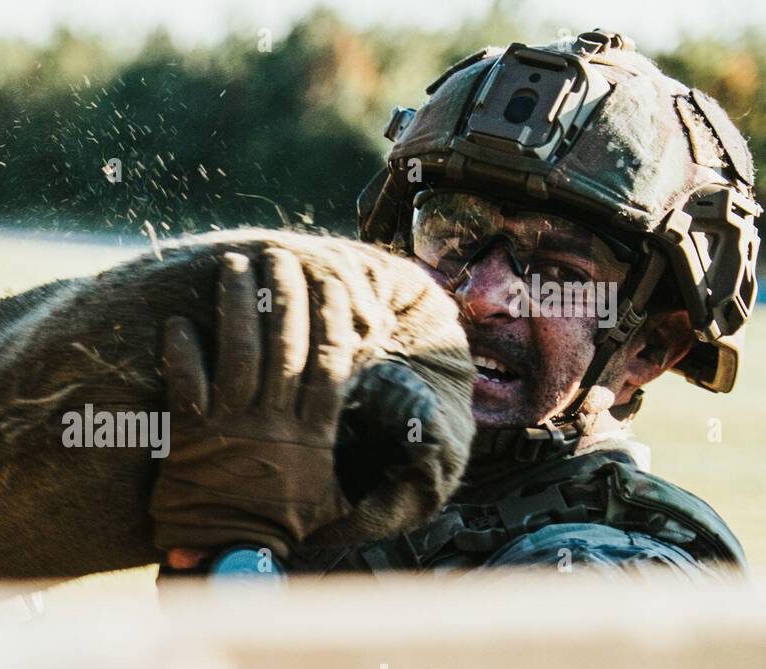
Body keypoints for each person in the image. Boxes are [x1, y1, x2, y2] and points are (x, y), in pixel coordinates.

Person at [154, 30, 759, 582]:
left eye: (559, 271)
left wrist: (237, 561)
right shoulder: (336, 470)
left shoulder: (622, 568)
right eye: (452, 236)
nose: (477, 295)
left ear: (650, 348)